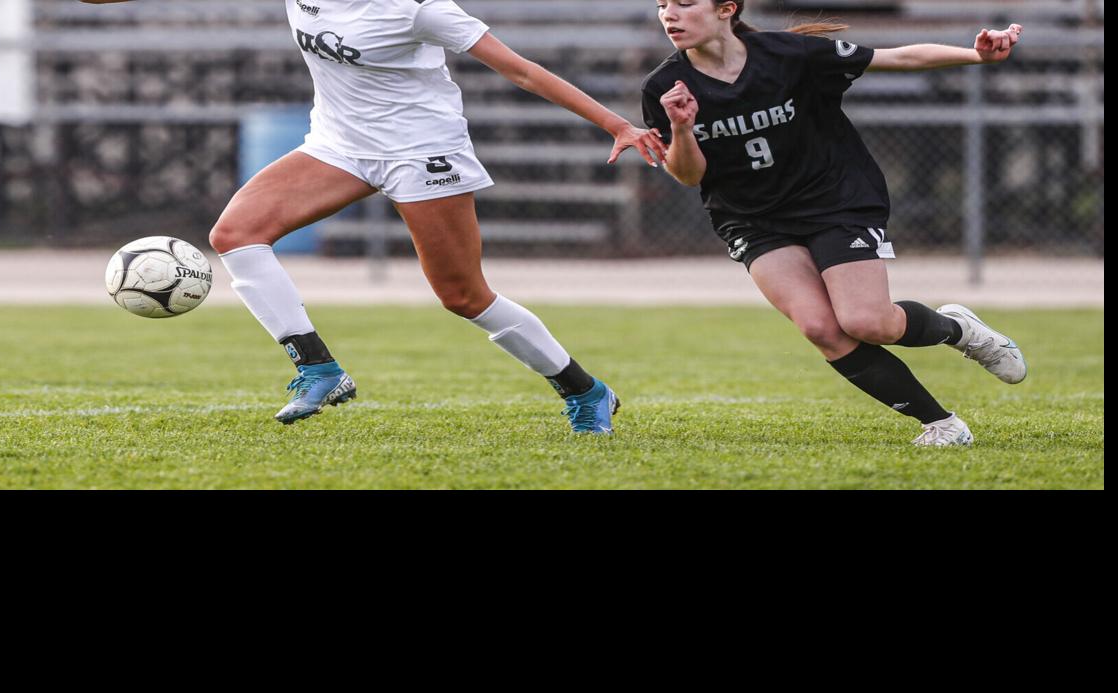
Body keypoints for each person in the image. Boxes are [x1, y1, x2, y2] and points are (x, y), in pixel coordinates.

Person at [81, 0, 668, 433]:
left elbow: (520, 70)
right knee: (235, 234)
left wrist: (615, 123)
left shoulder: (418, 9)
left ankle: (585, 391)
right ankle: (318, 369)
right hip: (337, 145)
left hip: (423, 152)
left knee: (463, 296)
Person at [643, 1, 1026, 446]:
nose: (669, 14)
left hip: (834, 200)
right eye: (661, 5)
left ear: (726, 8)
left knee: (868, 323)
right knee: (820, 328)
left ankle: (960, 330)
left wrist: (976, 56)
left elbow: (896, 57)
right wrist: (683, 128)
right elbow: (689, 175)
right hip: (752, 218)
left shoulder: (789, 54)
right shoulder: (662, 87)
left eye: (684, 3)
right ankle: (941, 424)